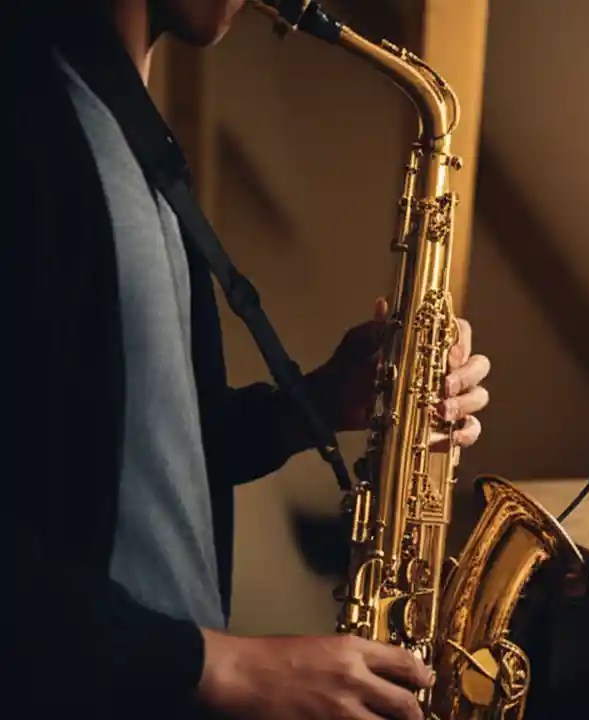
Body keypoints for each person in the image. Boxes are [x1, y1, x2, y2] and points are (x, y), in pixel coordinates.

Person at [0, 1, 491, 718]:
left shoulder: (130, 128)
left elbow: (136, 453)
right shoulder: (27, 122)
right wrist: (225, 665)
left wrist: (318, 403)